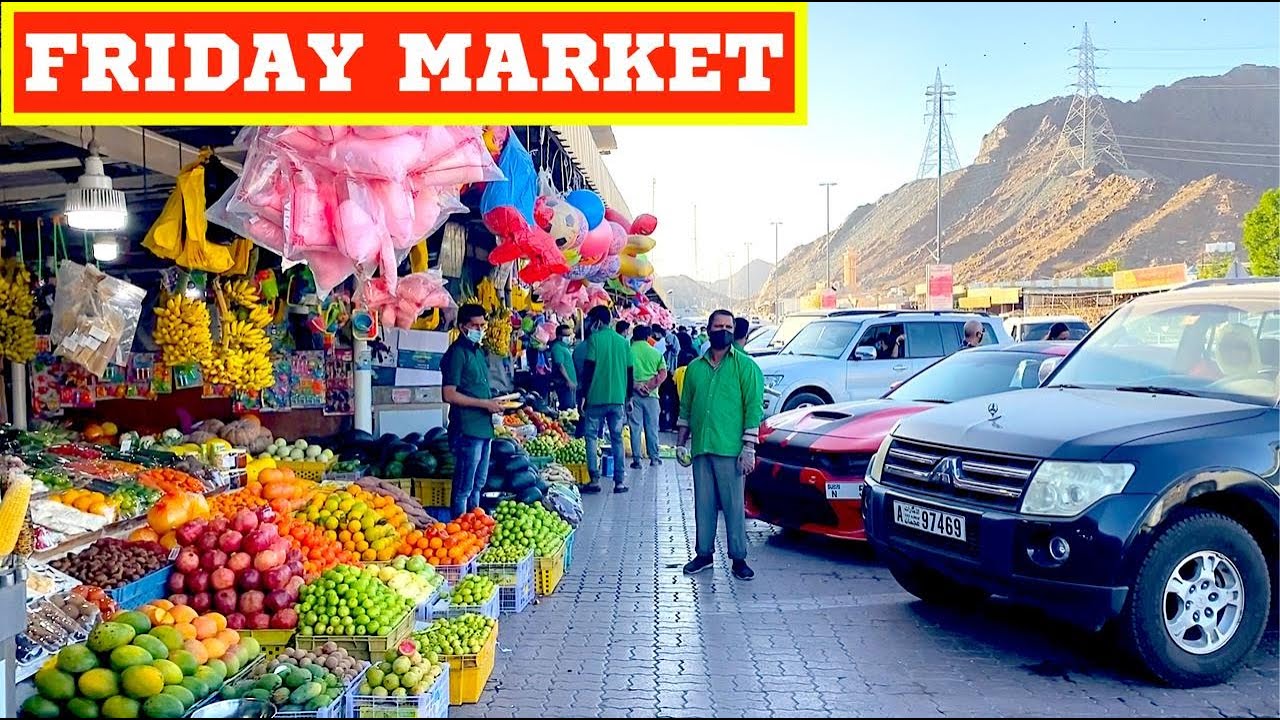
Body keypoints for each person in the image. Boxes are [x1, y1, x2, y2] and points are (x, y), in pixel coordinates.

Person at [679, 309, 764, 581]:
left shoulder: (746, 367)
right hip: (702, 448)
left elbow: (753, 409)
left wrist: (749, 447)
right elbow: (687, 407)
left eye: (729, 326)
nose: (724, 330)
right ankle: (703, 554)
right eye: (719, 326)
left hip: (731, 450)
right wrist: (681, 442)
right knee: (703, 504)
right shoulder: (695, 369)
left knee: (733, 506)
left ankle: (738, 558)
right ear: (708, 329)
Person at [441, 304, 504, 520]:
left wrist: (492, 402)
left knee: (478, 484)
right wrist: (484, 404)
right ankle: (460, 528)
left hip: (484, 429)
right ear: (462, 327)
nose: (480, 329)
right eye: (474, 325)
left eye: (482, 325)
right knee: (464, 487)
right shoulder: (457, 354)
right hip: (467, 430)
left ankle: (474, 525)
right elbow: (449, 394)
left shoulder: (477, 352)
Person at [580, 306, 634, 494]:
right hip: (618, 399)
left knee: (591, 437)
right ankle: (619, 482)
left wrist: (584, 396)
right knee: (617, 439)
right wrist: (629, 398)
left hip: (596, 398)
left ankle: (594, 479)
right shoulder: (623, 342)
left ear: (597, 321)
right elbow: (630, 371)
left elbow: (588, 370)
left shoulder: (594, 339)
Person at [628, 325, 667, 468]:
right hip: (652, 396)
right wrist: (650, 386)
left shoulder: (628, 352)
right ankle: (654, 458)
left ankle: (637, 460)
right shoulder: (656, 353)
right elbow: (663, 373)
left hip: (633, 396)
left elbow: (623, 372)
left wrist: (636, 385)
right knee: (652, 428)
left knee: (635, 427)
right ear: (647, 337)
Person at [550, 324, 577, 410]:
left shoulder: (565, 347)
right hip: (564, 384)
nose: (568, 337)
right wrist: (568, 380)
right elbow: (560, 365)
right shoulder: (557, 348)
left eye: (569, 335)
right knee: (567, 409)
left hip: (570, 384)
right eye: (566, 335)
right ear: (558, 336)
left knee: (571, 408)